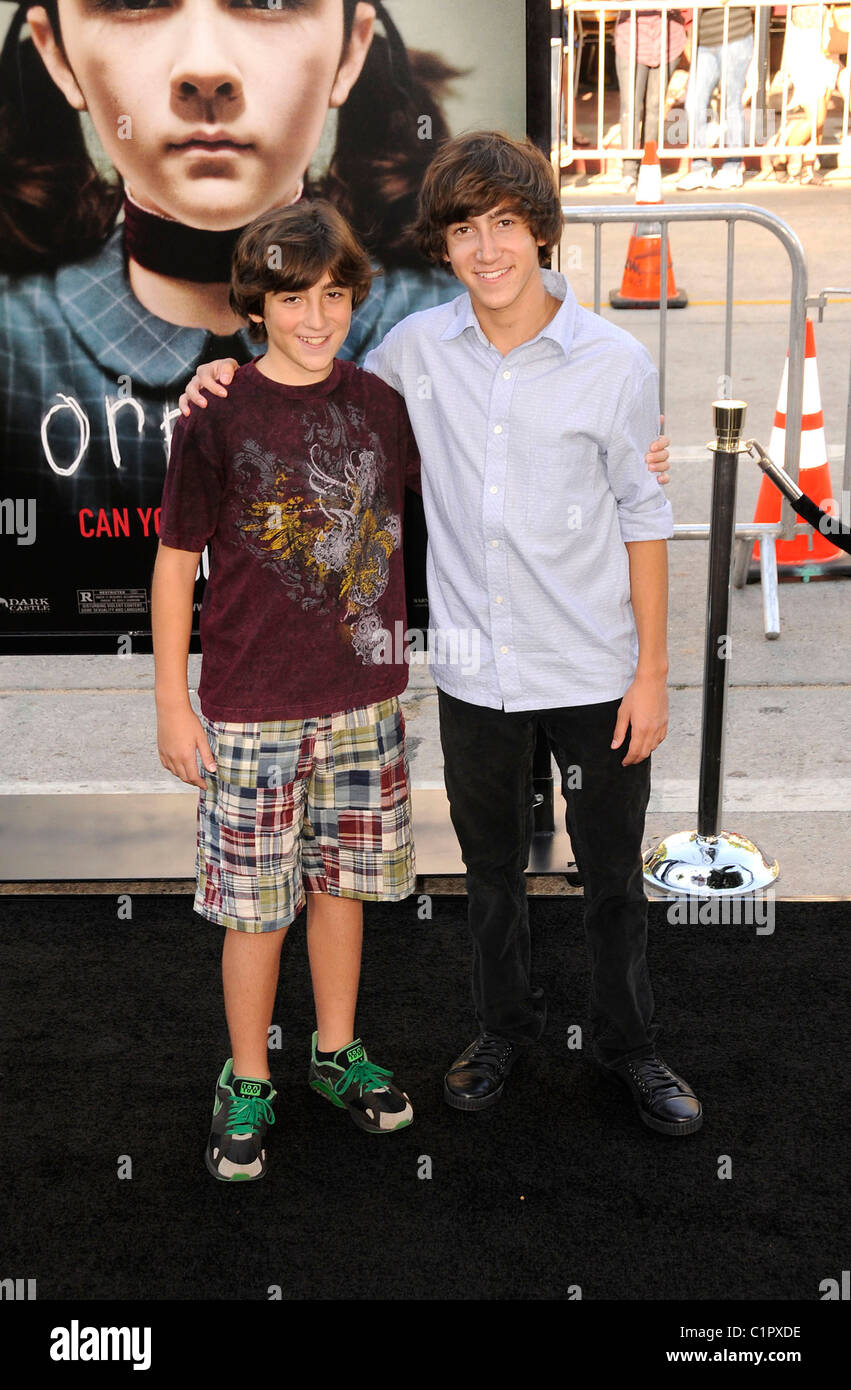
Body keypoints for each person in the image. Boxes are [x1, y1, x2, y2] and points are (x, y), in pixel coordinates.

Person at [179, 132, 699, 1139]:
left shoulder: (614, 362)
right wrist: (217, 378)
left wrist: (653, 672)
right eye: (464, 229)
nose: (487, 247)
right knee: (491, 874)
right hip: (472, 673)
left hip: (593, 668)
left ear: (541, 231)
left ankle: (628, 1045)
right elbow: (302, 377)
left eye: (505, 223)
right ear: (444, 246)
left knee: (607, 875)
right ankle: (500, 1030)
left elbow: (643, 515)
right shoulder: (413, 352)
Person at [0, 0, 460, 642]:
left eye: (269, 0)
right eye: (134, 1)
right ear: (57, 54)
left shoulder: (437, 326)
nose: (206, 71)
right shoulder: (13, 345)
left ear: (351, 48)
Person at [153, 199, 422, 1183]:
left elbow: (482, 480)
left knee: (341, 887)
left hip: (364, 699)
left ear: (353, 295)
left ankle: (334, 1051)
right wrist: (171, 703)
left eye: (333, 294)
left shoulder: (382, 406)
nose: (315, 315)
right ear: (254, 304)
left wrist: (625, 463)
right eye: (291, 296)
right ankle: (248, 1073)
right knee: (255, 907)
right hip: (249, 706)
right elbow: (176, 562)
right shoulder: (216, 413)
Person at [677, 5, 755, 191]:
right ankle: (700, 166)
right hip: (706, 40)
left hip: (735, 35)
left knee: (731, 103)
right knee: (693, 103)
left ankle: (733, 166)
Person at [762, 4, 841, 183]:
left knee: (821, 113)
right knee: (815, 119)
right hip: (806, 41)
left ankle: (809, 168)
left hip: (828, 40)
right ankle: (781, 155)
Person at [615, 6, 689, 192]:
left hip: (668, 39)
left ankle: (649, 166)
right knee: (630, 107)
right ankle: (629, 172)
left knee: (655, 107)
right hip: (631, 38)